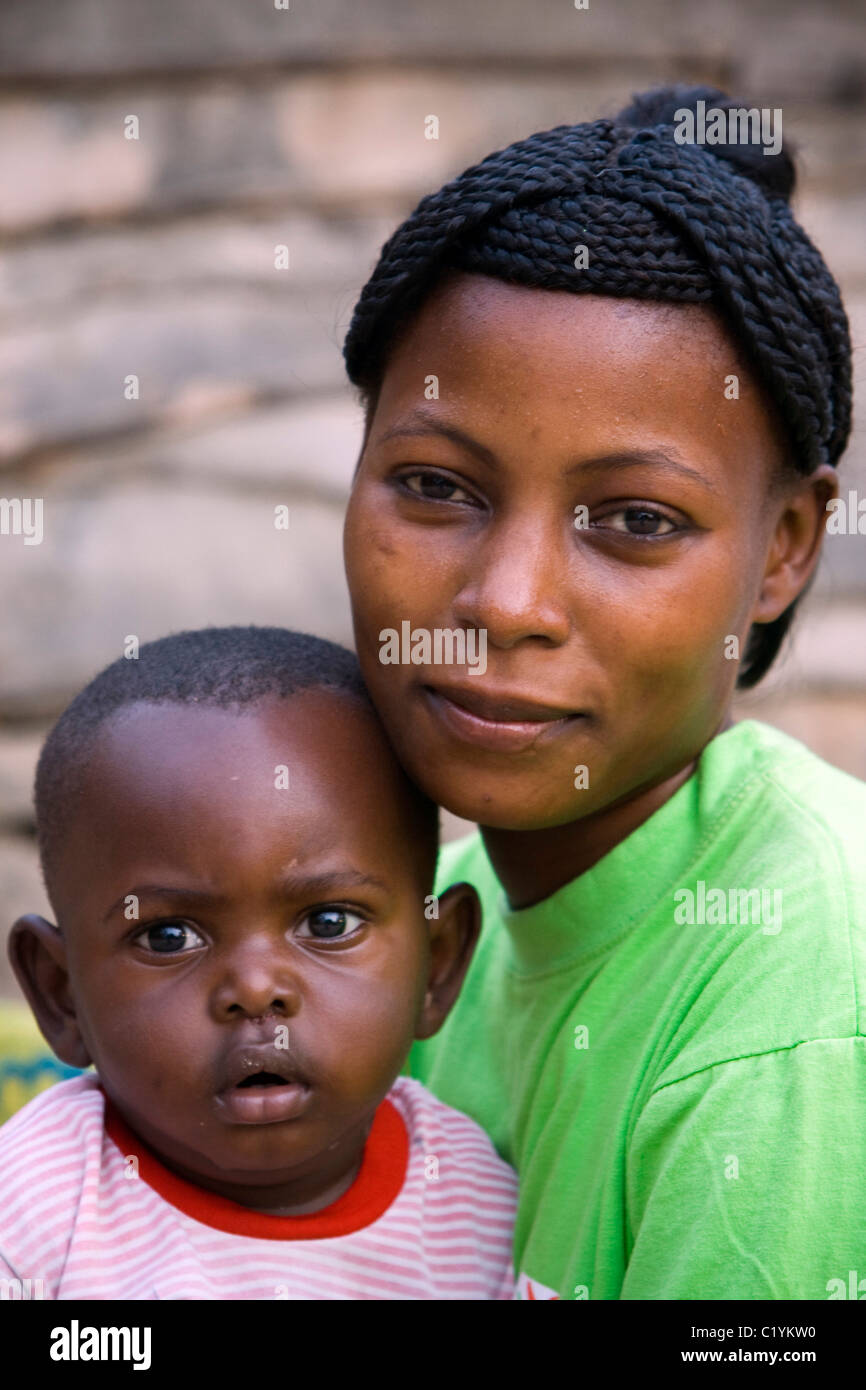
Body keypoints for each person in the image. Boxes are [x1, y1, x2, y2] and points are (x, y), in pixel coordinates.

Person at [341, 84, 866, 1299]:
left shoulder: (803, 1011)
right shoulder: (439, 924)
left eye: (634, 519)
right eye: (433, 485)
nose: (506, 601)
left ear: (782, 547)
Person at [0, 627, 517, 1300]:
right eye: (168, 937)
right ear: (61, 995)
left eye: (328, 923)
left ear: (437, 965)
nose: (254, 989)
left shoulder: (470, 1201)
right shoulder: (35, 1209)